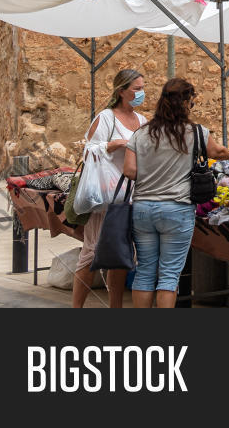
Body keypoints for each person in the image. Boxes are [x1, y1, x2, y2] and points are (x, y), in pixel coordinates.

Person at [121, 78, 229, 308]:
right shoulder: (196, 132)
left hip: (143, 209)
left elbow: (129, 170)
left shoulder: (141, 133)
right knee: (169, 274)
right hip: (178, 209)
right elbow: (218, 152)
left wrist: (153, 175)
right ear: (186, 103)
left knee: (145, 270)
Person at [72, 68, 147, 309]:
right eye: (136, 89)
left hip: (130, 196)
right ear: (121, 91)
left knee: (120, 254)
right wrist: (113, 144)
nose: (141, 93)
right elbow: (88, 152)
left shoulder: (142, 121)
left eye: (142, 88)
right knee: (91, 252)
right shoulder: (106, 118)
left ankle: (116, 308)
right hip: (105, 197)